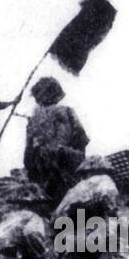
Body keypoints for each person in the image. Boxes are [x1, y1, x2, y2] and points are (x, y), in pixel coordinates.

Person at [23, 76, 88, 204]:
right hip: (48, 173)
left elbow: (78, 140)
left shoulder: (63, 112)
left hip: (58, 172)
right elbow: (80, 141)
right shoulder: (35, 119)